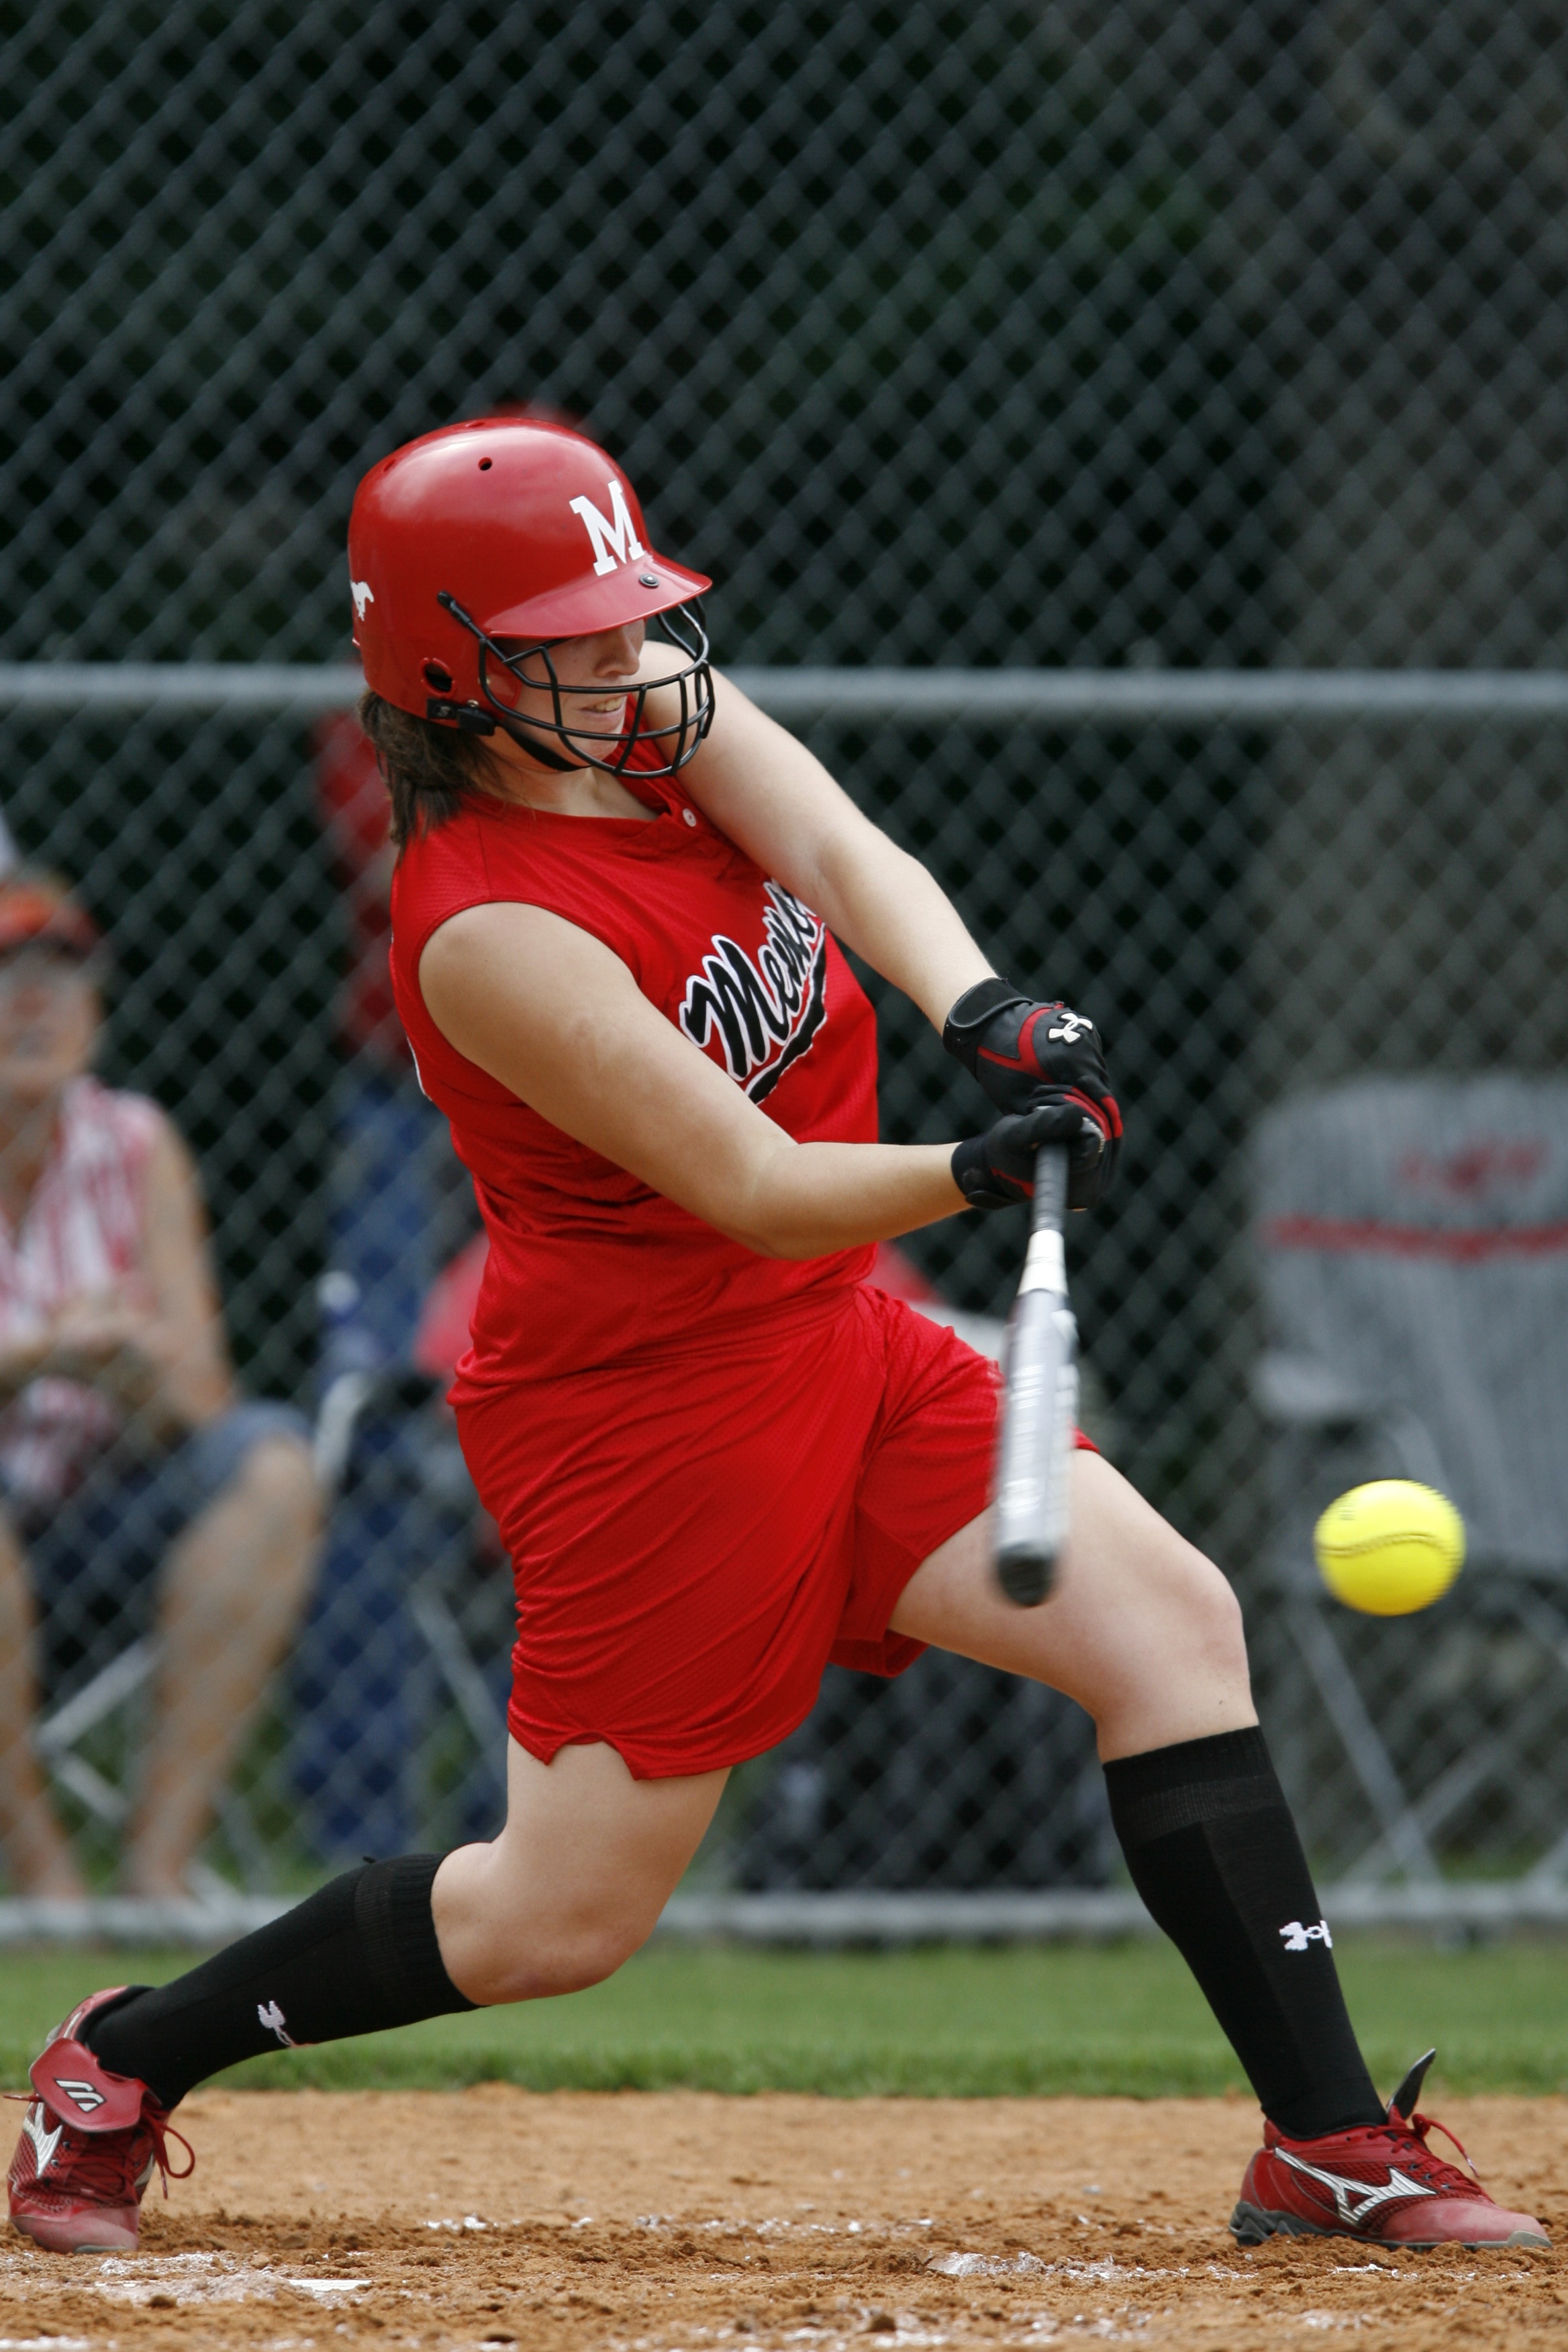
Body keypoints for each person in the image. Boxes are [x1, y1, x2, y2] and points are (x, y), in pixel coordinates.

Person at [8, 422, 1544, 2257]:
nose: (623, 653)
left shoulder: (649, 713)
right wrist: (981, 1170)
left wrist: (988, 1007)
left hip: (835, 1333)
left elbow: (834, 836)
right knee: (553, 1926)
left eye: (622, 613)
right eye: (563, 636)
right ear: (450, 673)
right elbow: (745, 1179)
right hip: (642, 1415)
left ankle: (1328, 2143)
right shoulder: (482, 928)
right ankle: (122, 2059)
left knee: (1170, 1625)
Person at [0, 873, 321, 1902]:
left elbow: (204, 1399)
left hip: (99, 1513)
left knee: (271, 1467)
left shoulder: (137, 1144)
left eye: (62, 975)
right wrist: (40, 1356)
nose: (36, 1003)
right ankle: (46, 1877)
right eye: (6, 976)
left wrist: (134, 1370)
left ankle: (159, 1871)